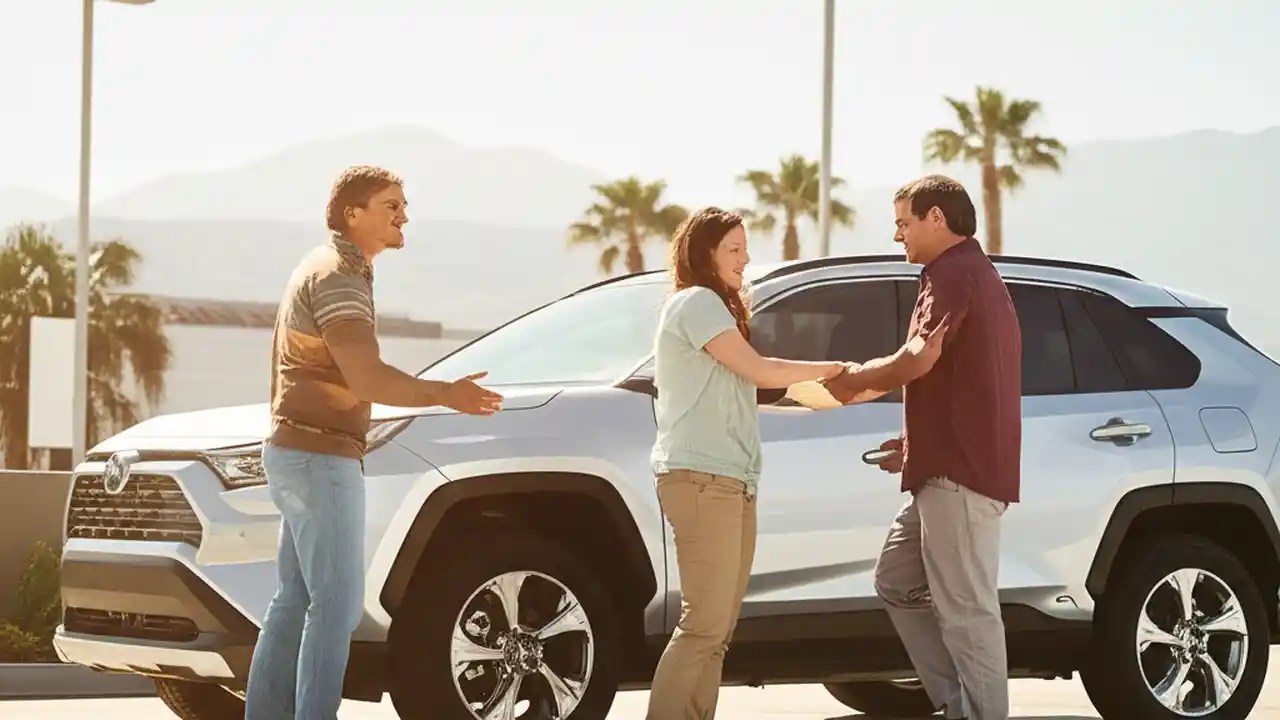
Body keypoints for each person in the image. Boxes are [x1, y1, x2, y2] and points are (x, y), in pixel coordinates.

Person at [244, 165, 504, 720]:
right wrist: (445, 393)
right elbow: (367, 379)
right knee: (334, 609)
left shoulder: (327, 266)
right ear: (352, 214)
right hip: (318, 457)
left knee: (293, 602)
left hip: (294, 452)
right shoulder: (338, 274)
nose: (404, 214)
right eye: (392, 204)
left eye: (403, 203)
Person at [824, 175, 1022, 720]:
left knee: (968, 611)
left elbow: (919, 358)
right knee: (897, 579)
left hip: (960, 476)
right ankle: (959, 706)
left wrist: (848, 382)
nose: (897, 236)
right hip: (939, 469)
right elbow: (958, 376)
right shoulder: (960, 273)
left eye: (903, 223)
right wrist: (915, 441)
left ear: (937, 218)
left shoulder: (954, 272)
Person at [646, 207, 846, 720]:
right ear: (704, 253)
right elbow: (758, 370)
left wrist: (822, 393)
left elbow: (749, 388)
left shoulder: (717, 313)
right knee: (703, 627)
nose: (745, 258)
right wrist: (834, 368)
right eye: (733, 248)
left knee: (718, 630)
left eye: (745, 247)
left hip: (732, 480)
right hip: (702, 479)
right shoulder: (697, 303)